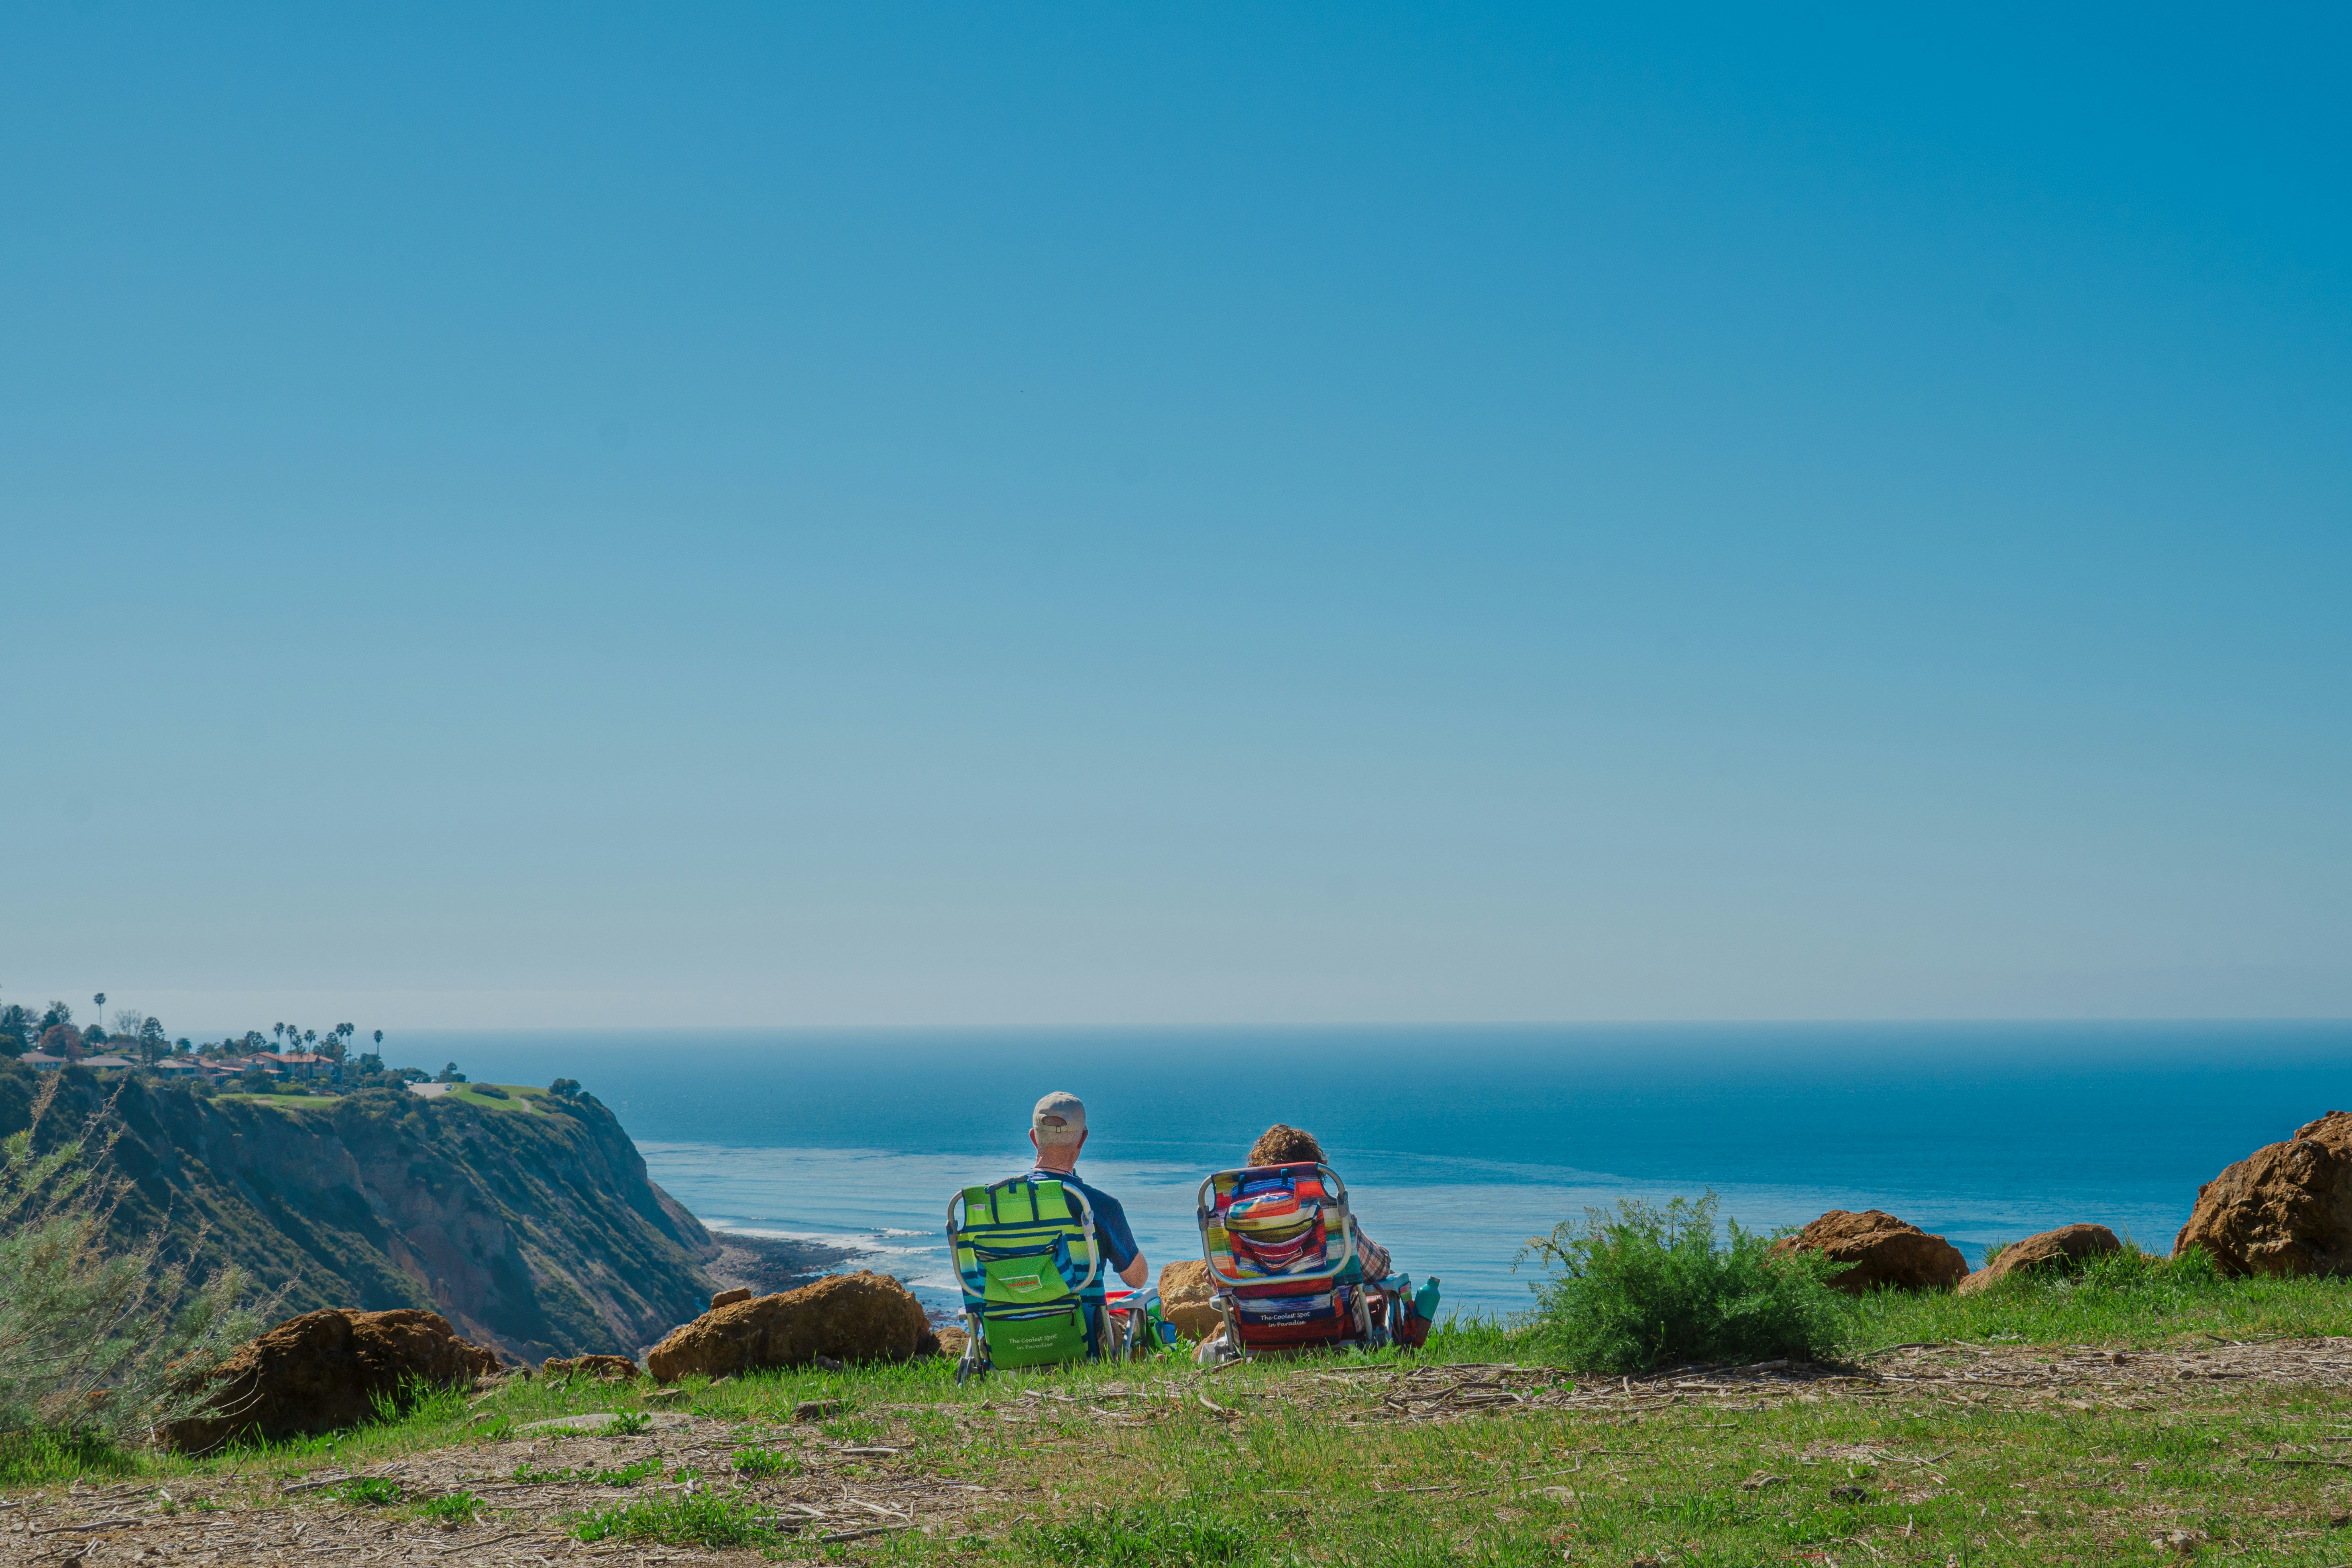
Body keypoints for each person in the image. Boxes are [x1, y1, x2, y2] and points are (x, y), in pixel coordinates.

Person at [1244, 1122, 1400, 1311]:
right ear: (1314, 1175)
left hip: (1258, 1328)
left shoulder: (1240, 1225)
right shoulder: (1334, 1219)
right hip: (1331, 1327)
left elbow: (1218, 1281)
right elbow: (1380, 1269)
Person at [1019, 1090, 1149, 1290]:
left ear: (1034, 1139)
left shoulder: (991, 1203)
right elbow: (1137, 1279)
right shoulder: (1099, 1206)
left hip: (1003, 1319)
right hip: (1080, 1320)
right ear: (1083, 1139)